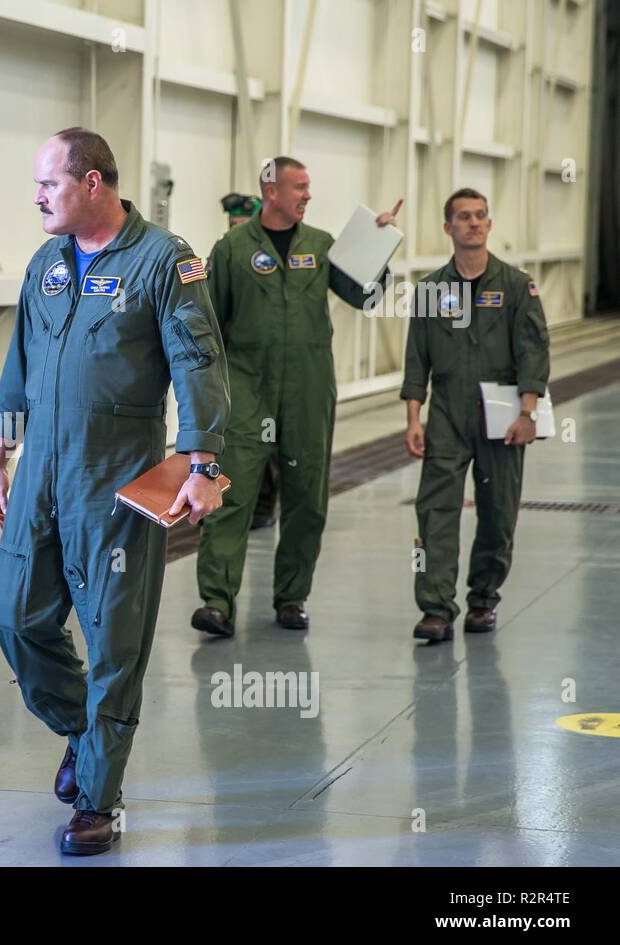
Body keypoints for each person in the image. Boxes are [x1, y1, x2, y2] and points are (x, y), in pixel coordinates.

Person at [0, 128, 230, 855]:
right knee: (13, 618)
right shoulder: (47, 263)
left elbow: (198, 361)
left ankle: (98, 800)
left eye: (48, 185)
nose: (36, 197)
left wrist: (202, 462)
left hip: (115, 480)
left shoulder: (164, 260)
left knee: (114, 645)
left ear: (93, 183)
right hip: (40, 477)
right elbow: (20, 356)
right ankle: (81, 730)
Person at [193, 156, 401, 636]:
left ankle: (291, 597)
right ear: (271, 191)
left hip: (307, 390)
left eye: (308, 187)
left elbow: (365, 298)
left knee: (307, 496)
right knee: (232, 494)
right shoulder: (231, 249)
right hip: (247, 390)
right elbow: (208, 323)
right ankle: (216, 603)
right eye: (299, 187)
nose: (307, 195)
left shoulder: (322, 245)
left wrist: (377, 248)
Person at [402, 188, 549, 643]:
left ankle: (483, 600)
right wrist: (414, 418)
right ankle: (436, 608)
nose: (473, 223)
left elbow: (534, 352)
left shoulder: (517, 286)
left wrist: (528, 412)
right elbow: (416, 358)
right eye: (463, 217)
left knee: (498, 511)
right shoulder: (430, 290)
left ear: (489, 224)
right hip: (447, 410)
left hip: (502, 412)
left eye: (481, 216)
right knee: (435, 512)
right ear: (448, 227)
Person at [219, 191, 279, 529]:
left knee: (268, 443)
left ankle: (263, 506)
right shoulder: (224, 255)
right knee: (231, 440)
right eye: (232, 224)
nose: (235, 229)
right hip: (232, 367)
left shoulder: (269, 263)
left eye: (242, 223)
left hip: (268, 370)